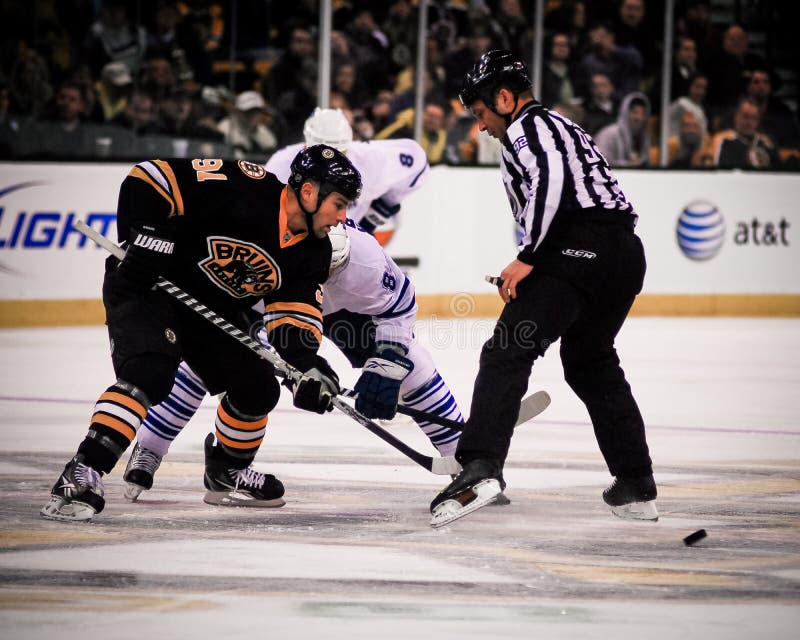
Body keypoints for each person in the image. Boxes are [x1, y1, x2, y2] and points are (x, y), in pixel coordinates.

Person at [40, 145, 363, 522]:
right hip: (151, 285)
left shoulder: (313, 252)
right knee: (150, 373)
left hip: (210, 309)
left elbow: (292, 318)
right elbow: (148, 177)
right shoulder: (244, 185)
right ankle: (83, 471)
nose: (341, 218)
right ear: (309, 192)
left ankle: (226, 471)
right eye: (339, 204)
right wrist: (145, 234)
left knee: (258, 388)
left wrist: (307, 366)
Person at [430, 50, 656, 526]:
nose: (482, 127)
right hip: (623, 256)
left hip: (577, 250)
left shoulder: (527, 128)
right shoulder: (565, 127)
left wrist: (529, 255)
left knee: (506, 350)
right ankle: (635, 481)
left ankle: (481, 465)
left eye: (481, 113)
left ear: (505, 98)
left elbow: (550, 179)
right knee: (590, 362)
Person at [122, 220, 468, 500]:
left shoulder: (364, 261)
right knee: (210, 363)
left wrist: (388, 364)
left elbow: (401, 308)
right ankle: (153, 449)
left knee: (414, 362)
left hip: (341, 309)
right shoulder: (269, 248)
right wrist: (295, 371)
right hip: (281, 300)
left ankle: (465, 460)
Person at [266, 107, 428, 245]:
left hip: (348, 248)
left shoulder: (369, 159)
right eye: (322, 154)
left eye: (339, 153)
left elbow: (416, 159)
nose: (331, 162)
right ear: (306, 145)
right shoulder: (281, 165)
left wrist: (377, 214)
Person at [708, 96, 781, 169]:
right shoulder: (723, 140)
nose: (749, 122)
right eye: (745, 116)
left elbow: (780, 171)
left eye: (754, 118)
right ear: (736, 116)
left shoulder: (767, 143)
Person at [594, 91, 652, 167]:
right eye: (635, 112)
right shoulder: (609, 134)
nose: (639, 118)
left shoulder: (644, 137)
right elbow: (598, 162)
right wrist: (629, 165)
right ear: (625, 112)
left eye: (643, 114)